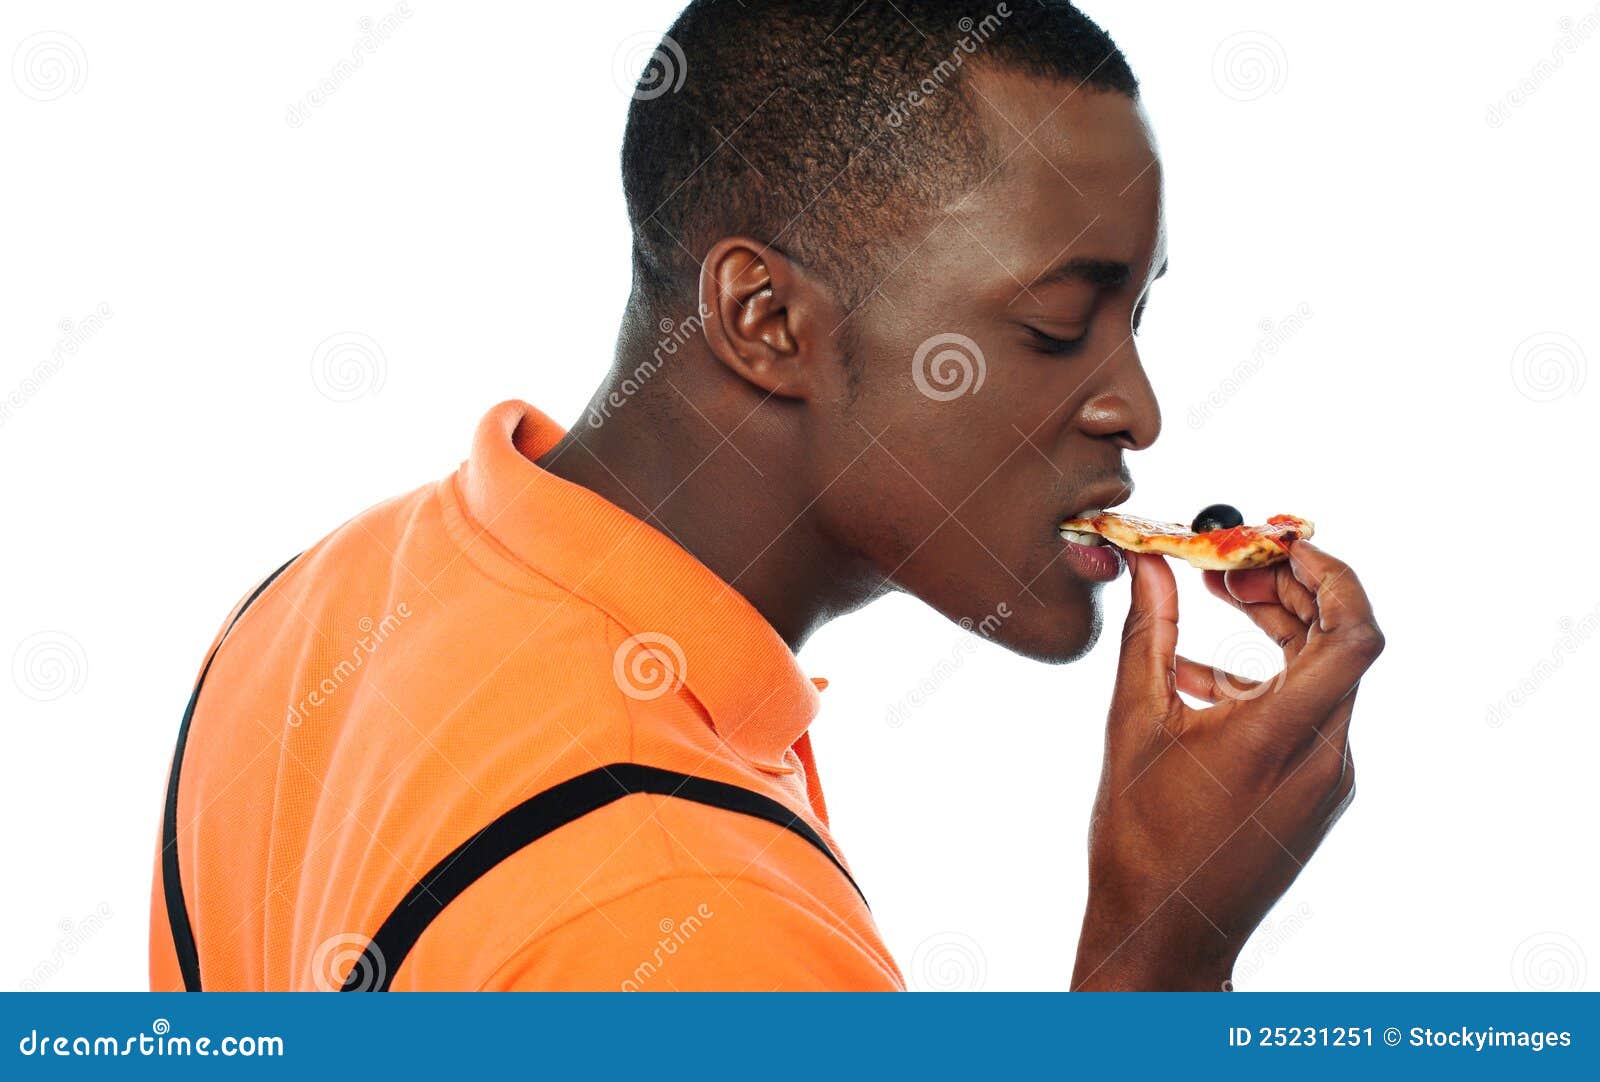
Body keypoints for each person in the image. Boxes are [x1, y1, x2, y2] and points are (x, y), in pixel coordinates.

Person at [151, 0, 1382, 991]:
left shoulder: (305, 604)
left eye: (1139, 313)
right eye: (1059, 324)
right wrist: (1156, 950)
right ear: (765, 319)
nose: (1141, 410)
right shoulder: (702, 920)